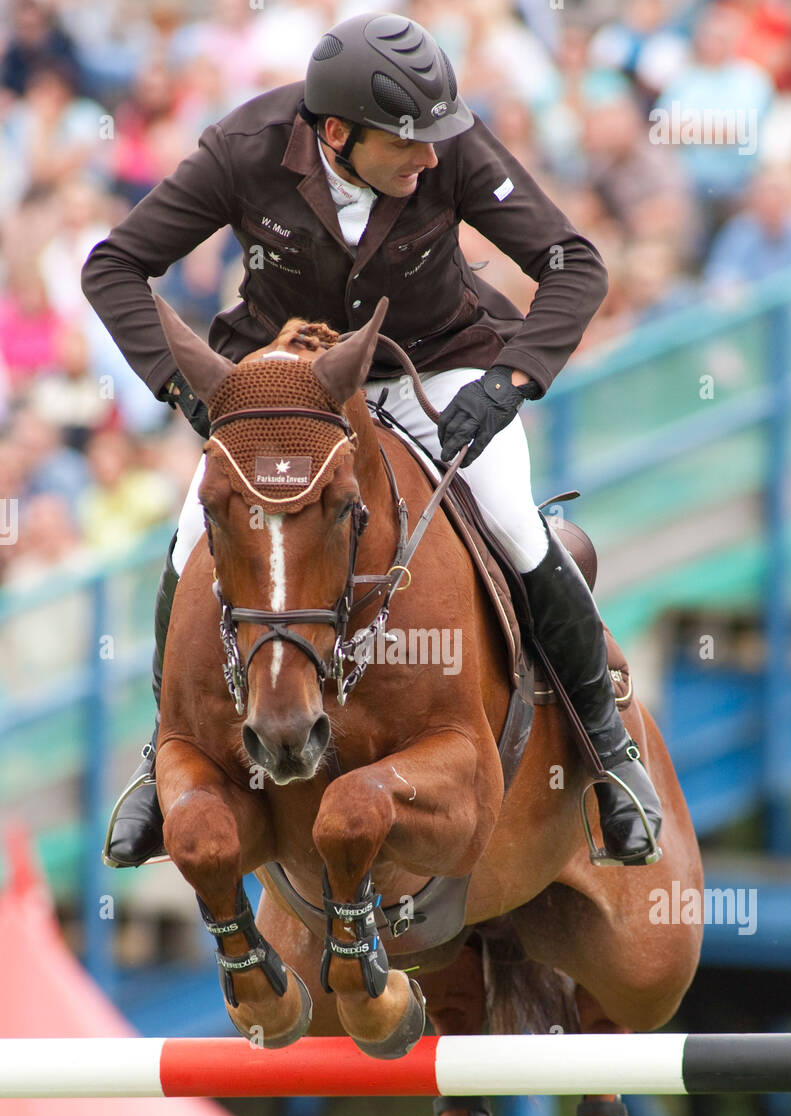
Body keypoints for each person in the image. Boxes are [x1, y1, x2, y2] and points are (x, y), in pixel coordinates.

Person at [82, 10, 661, 871]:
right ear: (339, 133)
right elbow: (113, 266)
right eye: (410, 145)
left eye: (435, 143)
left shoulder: (450, 147)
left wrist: (509, 382)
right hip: (285, 391)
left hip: (439, 369)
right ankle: (160, 751)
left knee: (511, 521)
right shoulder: (243, 149)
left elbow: (574, 263)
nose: (430, 159)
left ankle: (610, 754)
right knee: (190, 542)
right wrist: (186, 391)